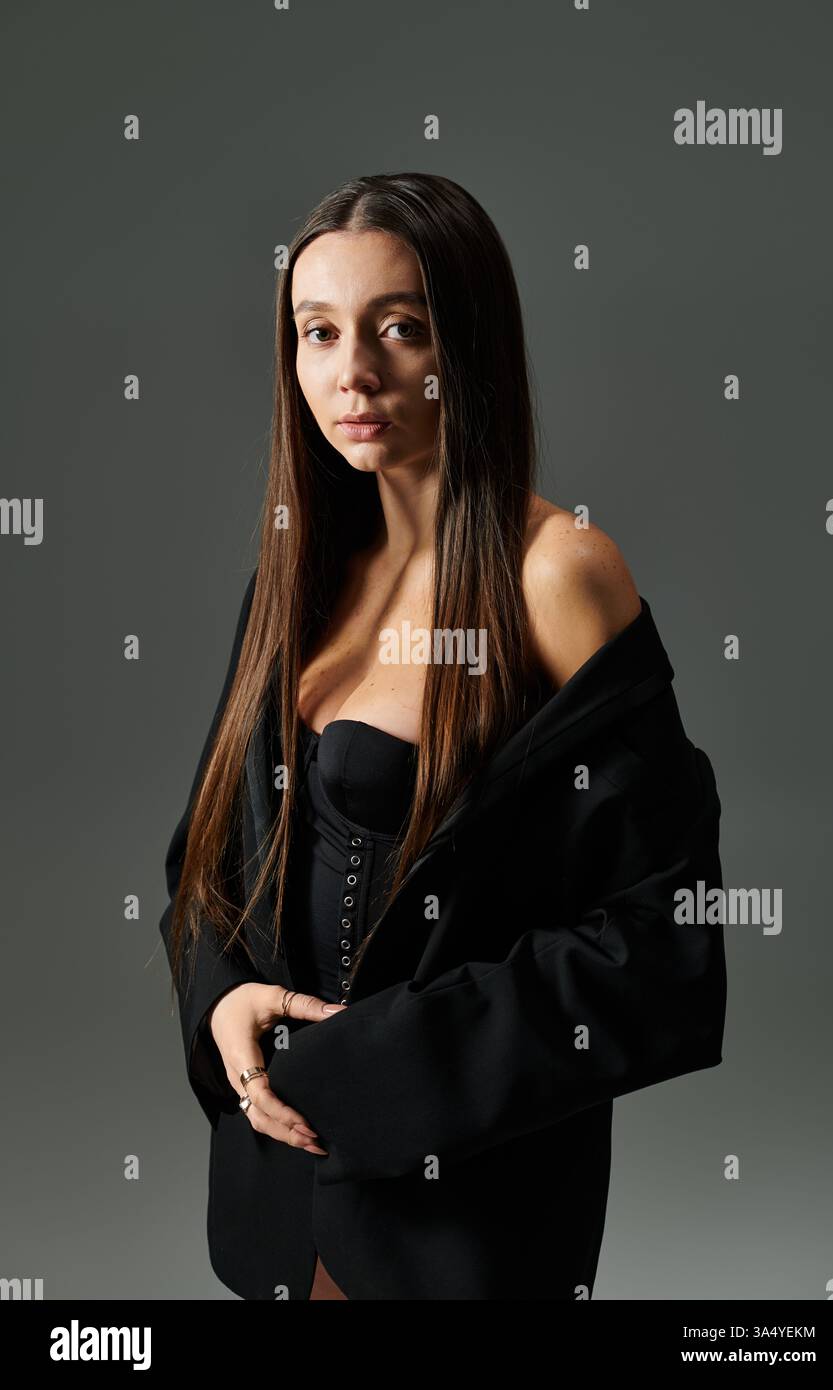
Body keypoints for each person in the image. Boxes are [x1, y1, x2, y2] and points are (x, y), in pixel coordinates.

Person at [159, 172, 726, 1301]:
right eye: (319, 332)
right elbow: (205, 858)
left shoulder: (557, 575)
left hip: (460, 1220)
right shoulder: (296, 580)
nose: (354, 373)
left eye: (399, 328)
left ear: (465, 345)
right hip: (278, 1202)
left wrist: (361, 1072)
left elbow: (664, 948)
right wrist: (220, 1001)